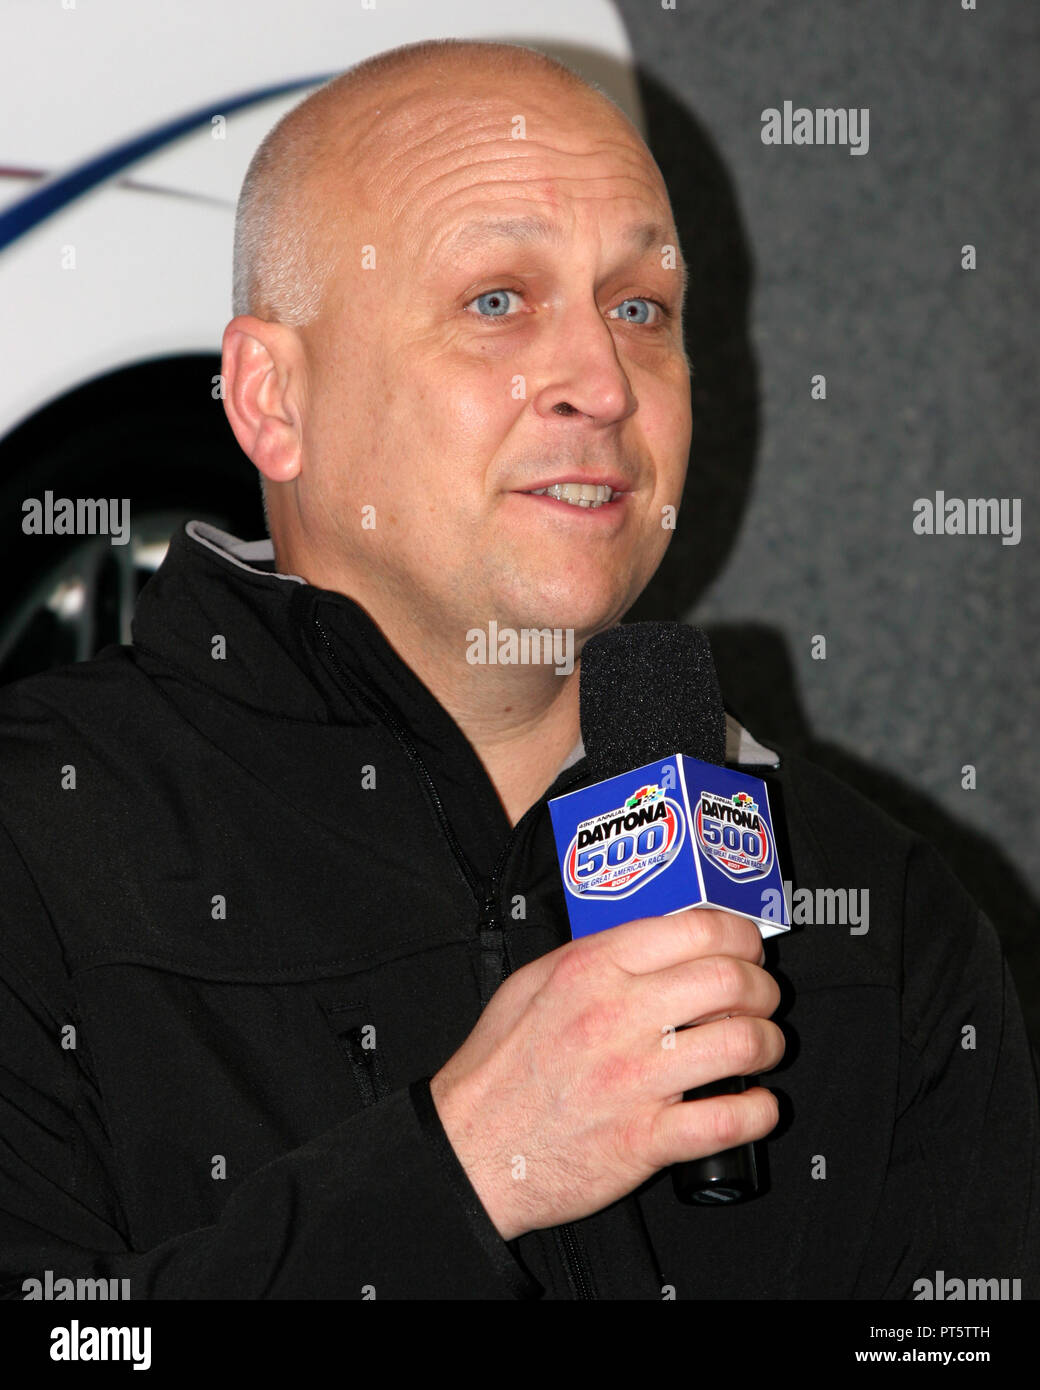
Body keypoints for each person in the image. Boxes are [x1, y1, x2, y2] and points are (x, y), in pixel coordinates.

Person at [0, 37, 1036, 1301]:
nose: (602, 383)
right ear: (272, 399)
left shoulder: (879, 910)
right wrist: (468, 1171)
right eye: (497, 300)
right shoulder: (37, 844)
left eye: (639, 309)